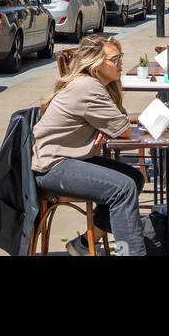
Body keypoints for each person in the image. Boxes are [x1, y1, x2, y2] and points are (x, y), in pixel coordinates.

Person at [32, 35, 146, 257]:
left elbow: (116, 122)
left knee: (134, 178)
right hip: (53, 166)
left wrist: (105, 125)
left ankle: (84, 243)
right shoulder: (87, 88)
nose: (121, 62)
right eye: (115, 58)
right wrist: (108, 125)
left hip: (71, 158)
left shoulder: (95, 86)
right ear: (96, 63)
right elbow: (123, 129)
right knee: (123, 189)